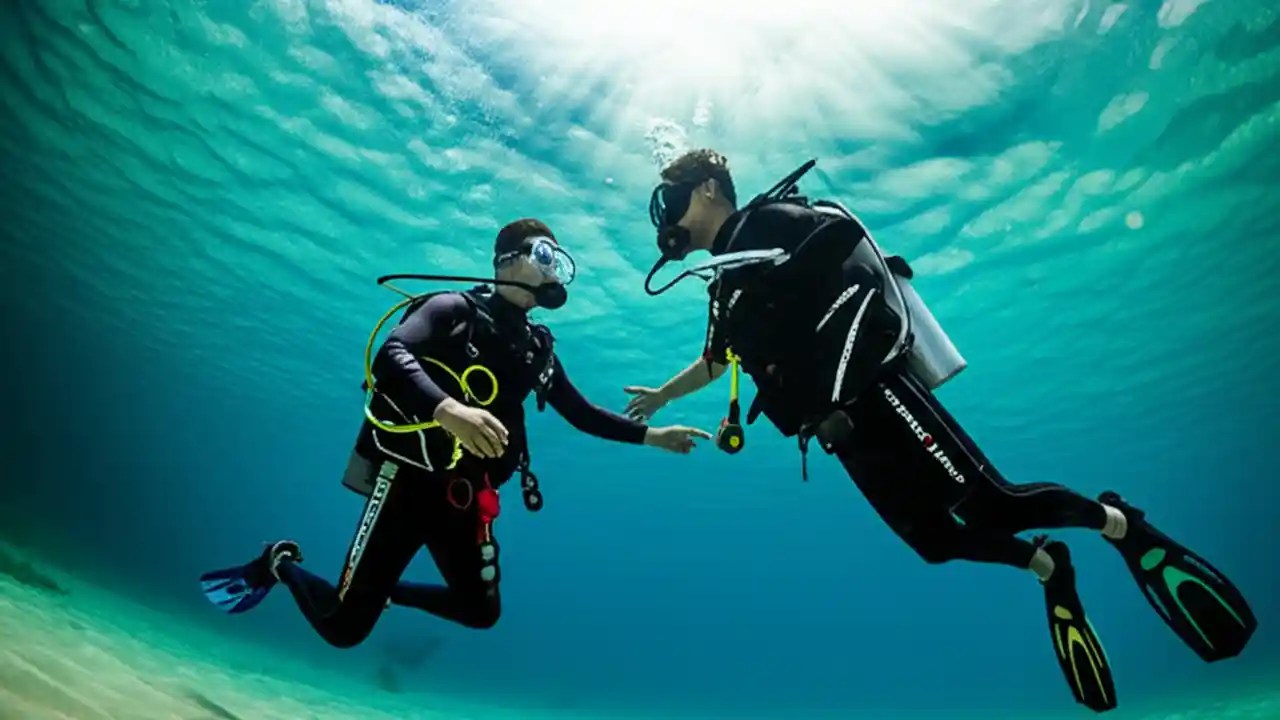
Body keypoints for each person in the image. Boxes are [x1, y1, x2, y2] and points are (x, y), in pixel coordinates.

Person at [624, 150, 1258, 713]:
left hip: (882, 392)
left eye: (669, 198)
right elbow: (717, 362)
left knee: (994, 504)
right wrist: (661, 396)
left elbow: (840, 232)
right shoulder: (726, 281)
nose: (665, 215)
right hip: (840, 430)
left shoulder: (764, 224)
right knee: (932, 540)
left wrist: (781, 273)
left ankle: (1123, 526)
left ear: (708, 189)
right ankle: (1047, 566)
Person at [200, 218, 711, 647]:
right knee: (343, 628)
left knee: (479, 611)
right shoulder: (451, 310)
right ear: (506, 259)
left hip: (466, 501)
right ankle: (278, 561)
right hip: (408, 484)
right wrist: (449, 411)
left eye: (559, 261)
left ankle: (383, 589)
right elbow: (391, 355)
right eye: (543, 254)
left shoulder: (537, 349)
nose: (553, 268)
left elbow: (580, 412)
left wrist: (655, 437)